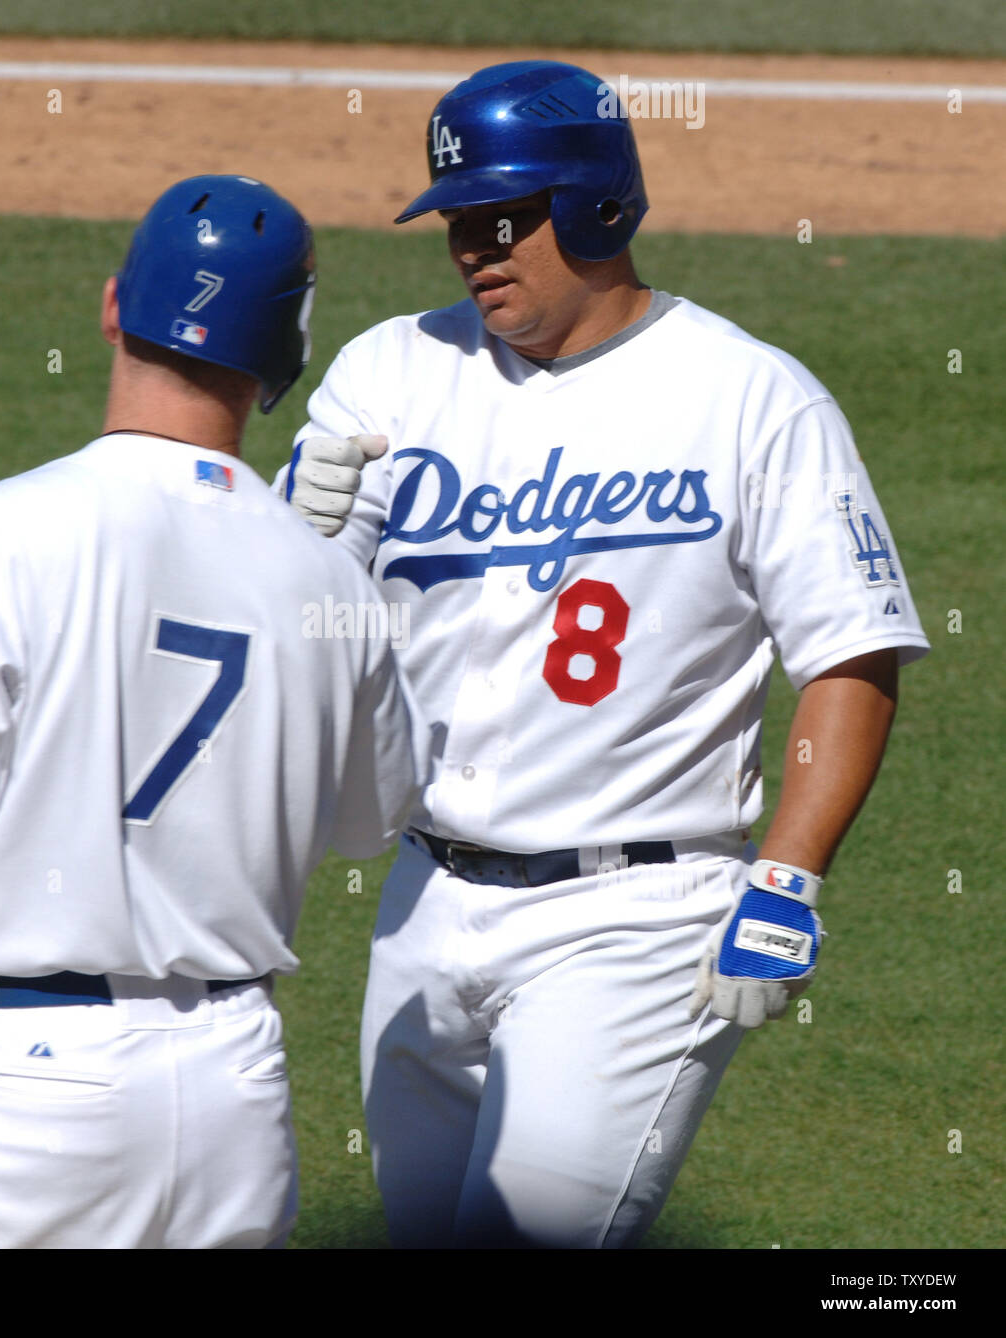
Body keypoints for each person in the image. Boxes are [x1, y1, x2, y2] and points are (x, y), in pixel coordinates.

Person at [280, 61, 929, 1248]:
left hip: (637, 919)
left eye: (502, 218)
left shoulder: (748, 398)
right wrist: (291, 538)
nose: (472, 247)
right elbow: (280, 635)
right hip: (423, 902)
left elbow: (851, 652)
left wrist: (786, 880)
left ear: (596, 206)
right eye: (456, 223)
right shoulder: (389, 371)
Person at [0, 174, 427, 1249]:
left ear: (114, 305)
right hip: (232, 1096)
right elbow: (370, 822)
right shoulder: (330, 581)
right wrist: (316, 568)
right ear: (282, 357)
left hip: (22, 1102)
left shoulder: (0, 533)